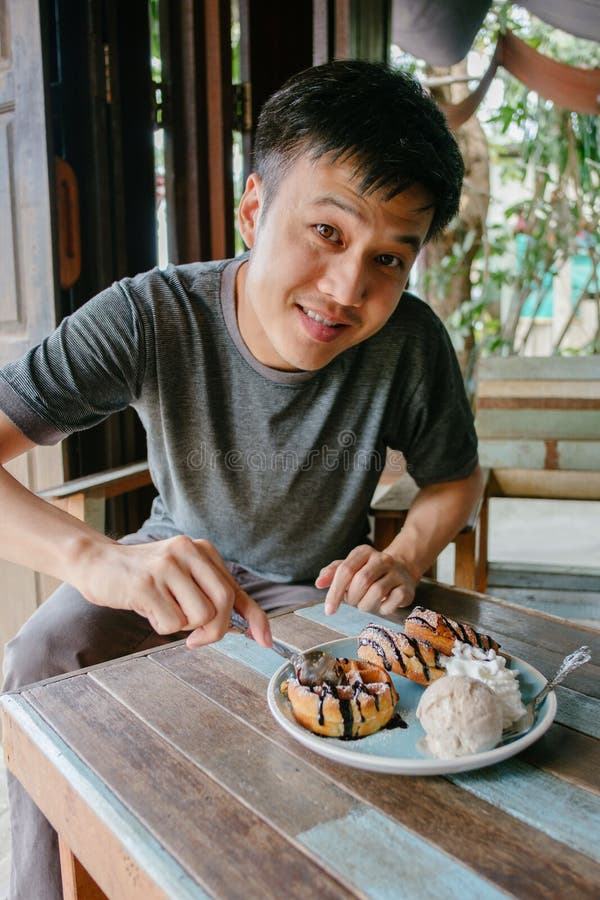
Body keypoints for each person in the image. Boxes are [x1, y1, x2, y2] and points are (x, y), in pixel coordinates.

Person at [0, 60, 482, 898]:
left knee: (382, 735)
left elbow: (454, 482)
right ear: (254, 208)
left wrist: (403, 556)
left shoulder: (408, 341)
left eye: (389, 260)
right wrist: (95, 559)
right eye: (327, 234)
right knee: (39, 656)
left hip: (319, 593)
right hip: (169, 562)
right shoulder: (150, 315)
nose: (347, 290)